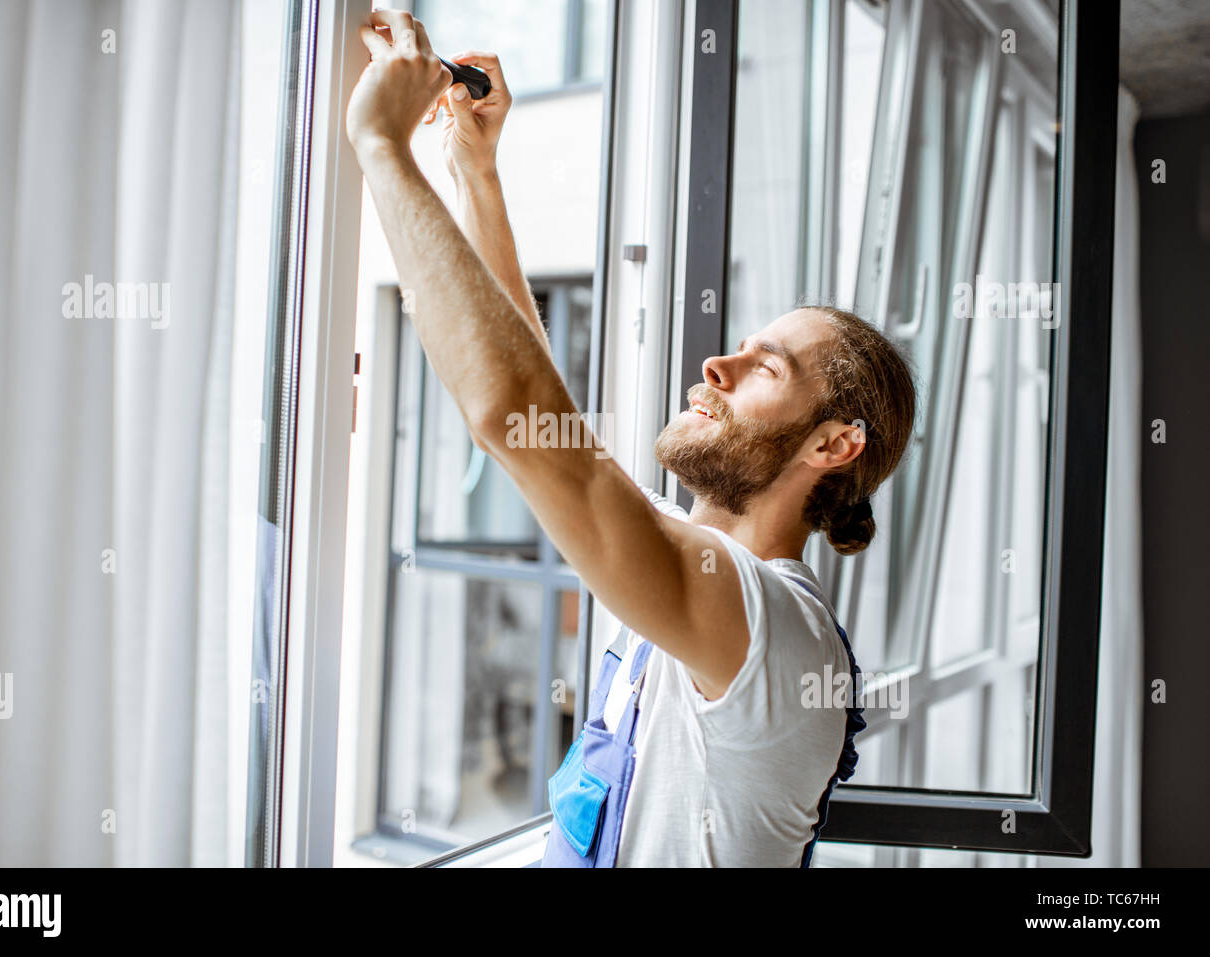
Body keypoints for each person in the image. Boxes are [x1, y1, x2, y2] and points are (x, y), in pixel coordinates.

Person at [346, 9, 917, 867]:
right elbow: (543, 414)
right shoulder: (685, 574)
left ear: (833, 444)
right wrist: (475, 169)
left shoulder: (773, 633)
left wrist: (382, 147)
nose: (716, 363)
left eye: (766, 367)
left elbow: (516, 419)